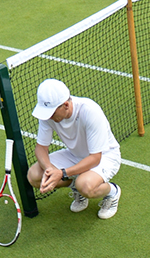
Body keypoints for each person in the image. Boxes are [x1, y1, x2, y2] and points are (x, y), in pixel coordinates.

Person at [27, 78, 123, 220]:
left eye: (52, 113)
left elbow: (95, 158)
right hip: (75, 154)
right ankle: (75, 186)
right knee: (34, 176)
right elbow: (41, 148)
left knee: (85, 186)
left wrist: (62, 173)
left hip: (105, 156)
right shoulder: (48, 115)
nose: (49, 117)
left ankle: (112, 192)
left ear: (65, 105)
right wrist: (50, 169)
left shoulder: (90, 111)